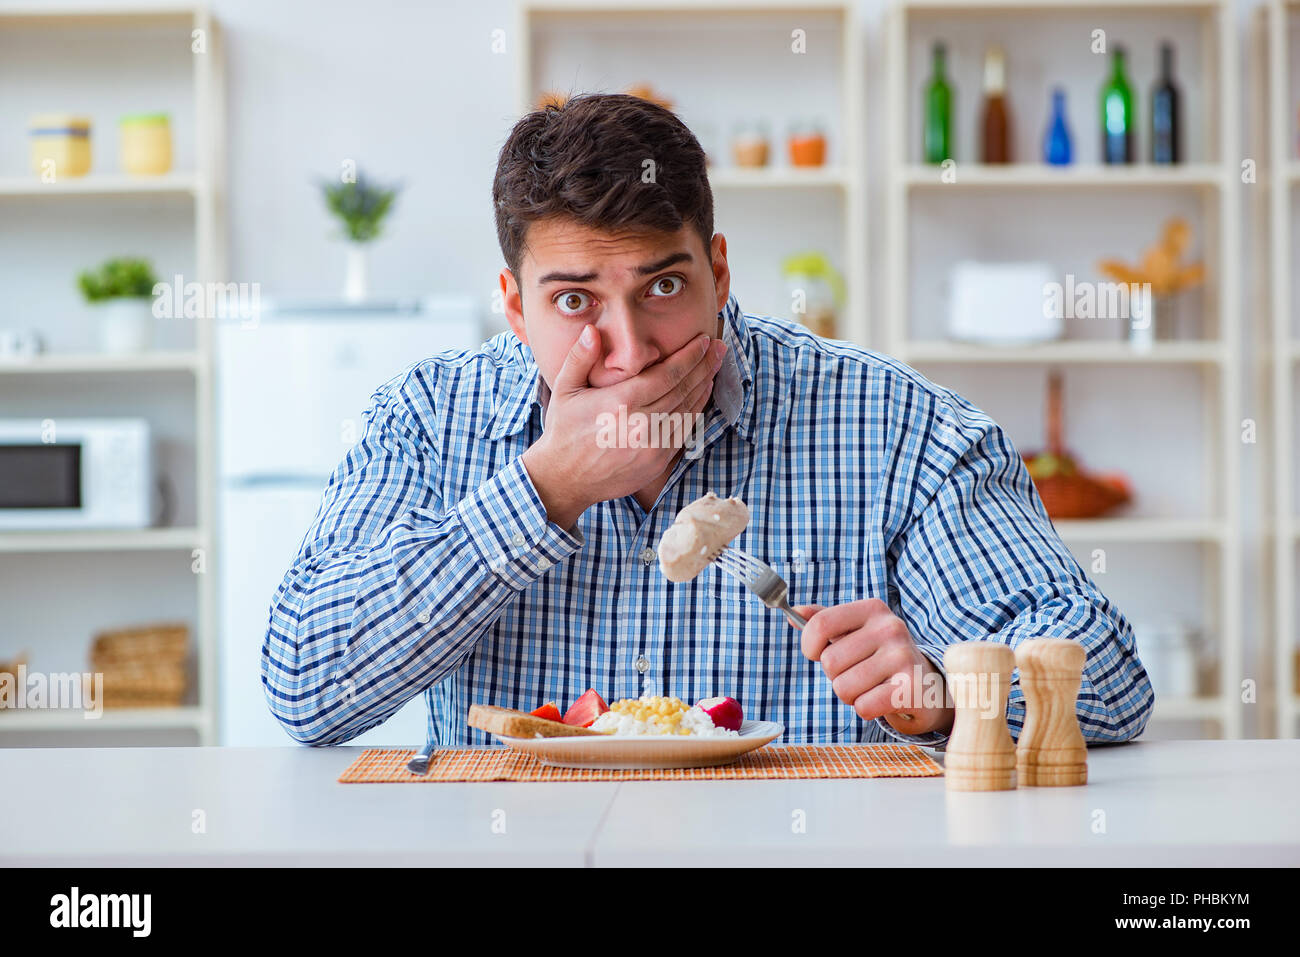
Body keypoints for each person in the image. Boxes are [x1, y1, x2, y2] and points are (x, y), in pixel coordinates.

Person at [262, 93, 1153, 748]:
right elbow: (304, 684)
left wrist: (951, 693)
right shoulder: (427, 417)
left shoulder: (901, 429)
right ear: (513, 305)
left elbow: (1111, 679)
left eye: (662, 286)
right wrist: (549, 489)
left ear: (719, 272)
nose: (630, 348)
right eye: (575, 299)